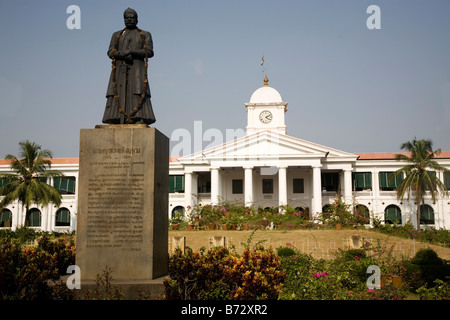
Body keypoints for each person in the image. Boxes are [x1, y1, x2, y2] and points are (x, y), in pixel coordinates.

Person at [102, 8, 156, 125]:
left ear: (137, 20)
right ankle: (115, 117)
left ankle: (138, 117)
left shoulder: (145, 34)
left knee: (138, 91)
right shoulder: (117, 35)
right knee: (116, 91)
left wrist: (132, 52)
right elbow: (110, 52)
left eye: (132, 17)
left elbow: (150, 52)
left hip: (137, 69)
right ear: (124, 20)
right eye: (127, 17)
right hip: (119, 68)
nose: (130, 19)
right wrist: (121, 54)